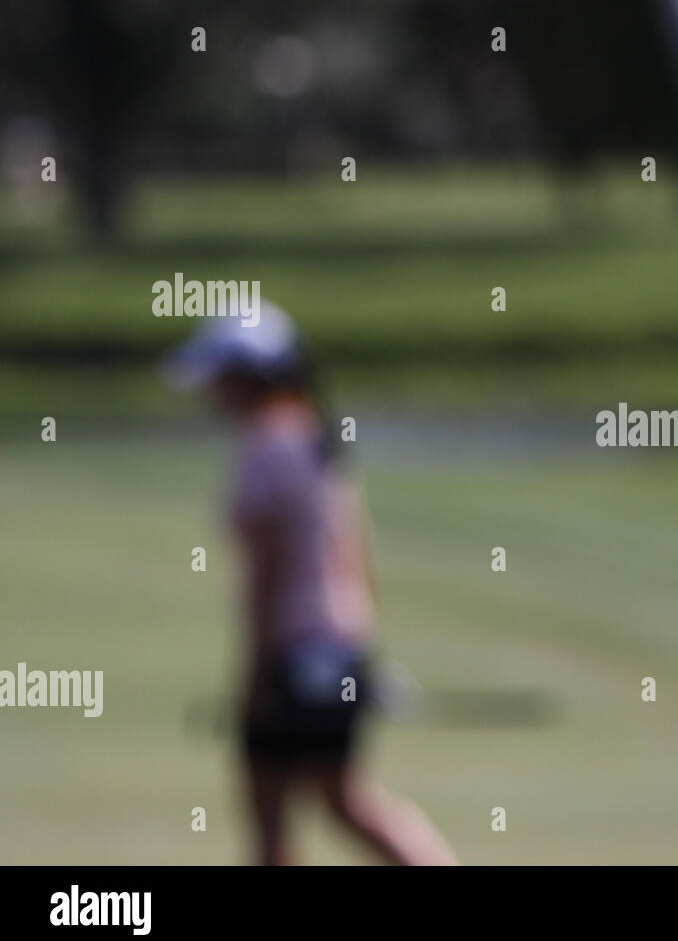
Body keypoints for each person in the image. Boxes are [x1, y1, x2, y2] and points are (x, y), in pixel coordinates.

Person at [163, 301, 459, 865]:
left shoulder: (265, 446)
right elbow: (355, 558)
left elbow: (268, 573)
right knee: (343, 797)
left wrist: (254, 674)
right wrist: (359, 655)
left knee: (270, 812)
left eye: (221, 380)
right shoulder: (315, 439)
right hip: (338, 648)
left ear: (249, 376)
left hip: (293, 654)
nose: (212, 395)